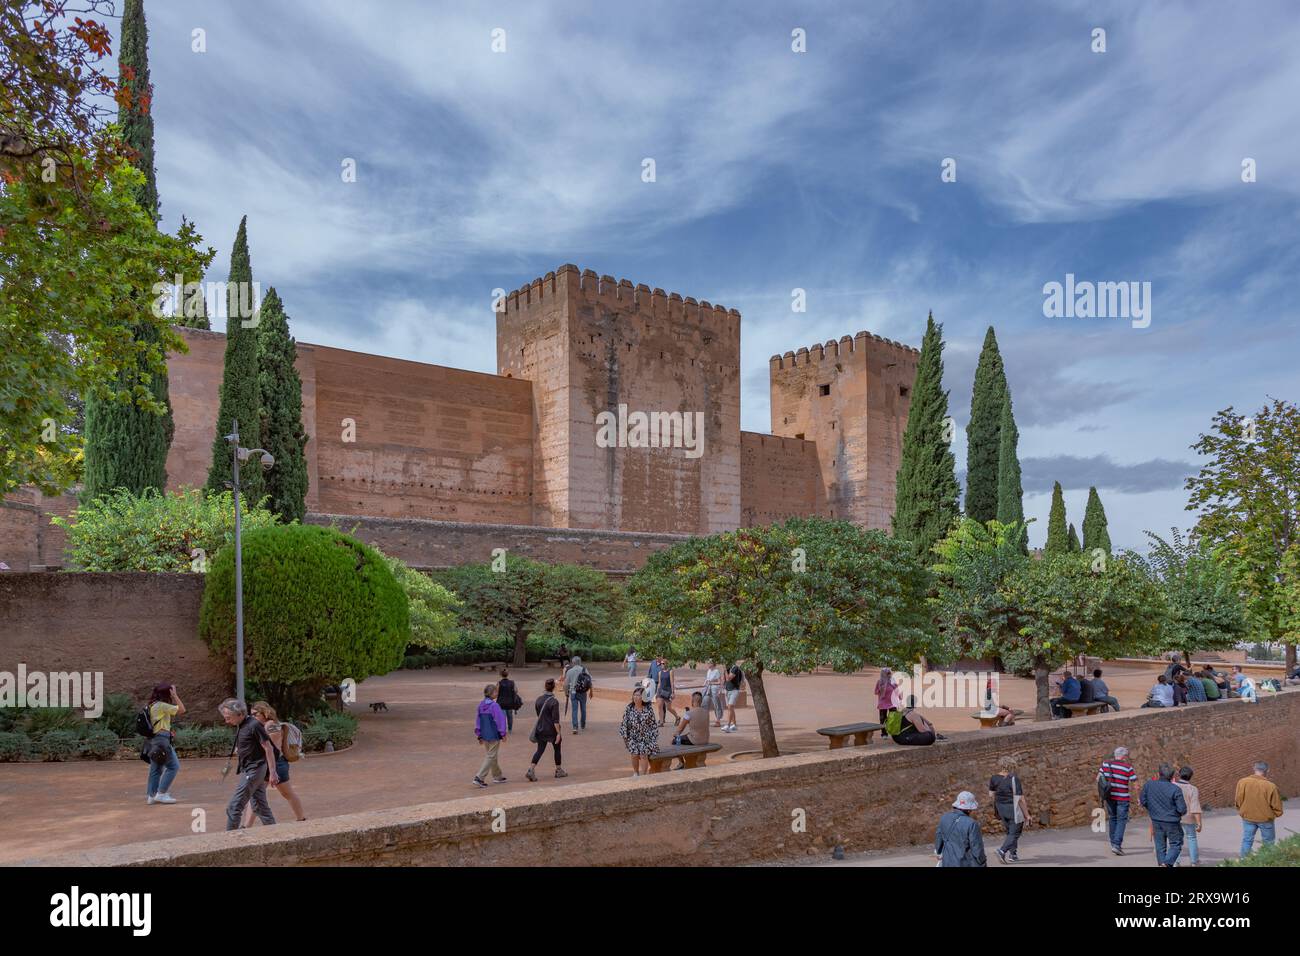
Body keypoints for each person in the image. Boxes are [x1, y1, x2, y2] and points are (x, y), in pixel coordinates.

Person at [219, 698, 278, 830]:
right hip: (251, 769)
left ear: (240, 714)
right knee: (260, 806)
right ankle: (275, 833)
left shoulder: (254, 725)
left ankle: (230, 839)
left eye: (229, 717)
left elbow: (269, 748)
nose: (227, 721)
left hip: (254, 770)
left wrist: (273, 772)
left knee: (234, 807)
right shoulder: (243, 725)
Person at [1139, 763, 1187, 868]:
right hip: (1172, 822)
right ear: (1172, 776)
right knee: (1176, 844)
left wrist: (1152, 809)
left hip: (1156, 820)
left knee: (1160, 847)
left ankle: (1162, 864)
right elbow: (1182, 809)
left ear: (1158, 773)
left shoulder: (1149, 785)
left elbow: (1143, 801)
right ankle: (1166, 864)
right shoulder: (1175, 789)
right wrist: (1175, 814)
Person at [144, 682, 184, 806]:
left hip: (154, 739)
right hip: (162, 740)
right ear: (167, 694)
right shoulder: (161, 705)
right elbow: (182, 710)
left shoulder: (151, 705)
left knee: (155, 769)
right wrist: (175, 696)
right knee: (173, 766)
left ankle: (152, 795)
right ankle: (161, 794)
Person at [1235, 761, 1283, 857]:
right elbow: (1277, 806)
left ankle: (1243, 861)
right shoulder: (1271, 786)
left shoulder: (1242, 782)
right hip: (1265, 819)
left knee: (1247, 840)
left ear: (1254, 768)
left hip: (1248, 817)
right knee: (1268, 842)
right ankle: (1267, 861)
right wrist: (1275, 814)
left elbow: (1238, 799)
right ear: (1267, 770)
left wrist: (1242, 810)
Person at [988, 756, 1030, 863]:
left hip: (1000, 808)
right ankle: (1002, 851)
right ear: (1012, 766)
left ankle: (1013, 854)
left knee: (1010, 831)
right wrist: (1027, 814)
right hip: (1012, 808)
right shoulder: (1013, 778)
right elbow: (1020, 799)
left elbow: (991, 794)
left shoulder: (994, 778)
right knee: (1015, 832)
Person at [1097, 746, 1138, 855]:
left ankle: (1113, 843)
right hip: (1123, 798)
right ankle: (1117, 845)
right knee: (1121, 820)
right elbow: (1135, 784)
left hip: (1110, 796)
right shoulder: (1128, 767)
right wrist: (1138, 797)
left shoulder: (1105, 764)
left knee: (1112, 818)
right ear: (1124, 756)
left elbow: (1098, 778)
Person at [525, 678, 566, 781]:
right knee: (557, 749)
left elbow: (539, 714)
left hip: (541, 728)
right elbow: (556, 721)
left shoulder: (539, 699)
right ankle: (558, 770)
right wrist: (558, 733)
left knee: (540, 750)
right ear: (554, 688)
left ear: (545, 687)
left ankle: (531, 769)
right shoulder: (554, 702)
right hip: (551, 730)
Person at [934, 791, 987, 867]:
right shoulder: (972, 823)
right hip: (964, 862)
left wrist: (939, 852)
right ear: (969, 809)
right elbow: (977, 848)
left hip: (947, 862)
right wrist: (982, 861)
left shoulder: (944, 818)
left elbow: (939, 839)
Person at [473, 684, 509, 788]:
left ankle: (497, 776)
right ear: (492, 693)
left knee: (492, 755)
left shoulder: (480, 705)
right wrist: (503, 733)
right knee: (491, 756)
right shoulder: (494, 706)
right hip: (494, 734)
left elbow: (478, 721)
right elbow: (500, 720)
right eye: (496, 692)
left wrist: (479, 735)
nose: (497, 693)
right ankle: (479, 777)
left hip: (484, 735)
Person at [618, 688, 659, 777]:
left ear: (643, 697)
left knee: (644, 755)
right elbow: (624, 724)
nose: (636, 697)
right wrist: (625, 739)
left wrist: (653, 738)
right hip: (633, 737)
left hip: (646, 737)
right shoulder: (629, 708)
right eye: (635, 695)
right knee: (634, 754)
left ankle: (644, 775)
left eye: (638, 695)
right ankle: (636, 772)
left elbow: (653, 725)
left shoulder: (648, 709)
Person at [672, 691, 711, 768]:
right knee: (684, 737)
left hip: (694, 740)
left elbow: (680, 729)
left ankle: (681, 762)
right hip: (705, 739)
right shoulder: (706, 712)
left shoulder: (689, 713)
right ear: (701, 701)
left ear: (692, 701)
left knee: (674, 741)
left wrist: (675, 735)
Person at [1173, 766, 1203, 866]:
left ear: (1179, 775)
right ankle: (1194, 862)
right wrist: (1199, 823)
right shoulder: (1193, 789)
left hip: (1175, 817)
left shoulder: (1173, 786)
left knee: (1175, 841)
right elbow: (1195, 806)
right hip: (1189, 818)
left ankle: (1176, 862)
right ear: (1190, 777)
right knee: (1191, 838)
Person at [565, 655, 592, 733]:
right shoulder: (584, 670)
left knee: (574, 710)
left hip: (573, 692)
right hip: (583, 692)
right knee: (583, 709)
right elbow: (589, 681)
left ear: (573, 663)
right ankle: (583, 724)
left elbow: (566, 684)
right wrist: (591, 691)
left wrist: (566, 692)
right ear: (580, 662)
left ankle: (575, 727)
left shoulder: (569, 671)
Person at [654, 657, 678, 727]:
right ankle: (661, 722)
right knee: (659, 706)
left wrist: (673, 692)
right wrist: (656, 692)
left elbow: (672, 682)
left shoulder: (670, 671)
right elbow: (659, 683)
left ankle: (677, 717)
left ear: (666, 664)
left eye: (663, 663)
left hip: (667, 691)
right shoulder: (660, 672)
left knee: (669, 708)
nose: (662, 665)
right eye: (661, 664)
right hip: (660, 691)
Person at [496, 668, 521, 733]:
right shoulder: (512, 682)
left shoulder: (499, 683)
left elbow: (496, 692)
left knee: (502, 717)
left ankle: (503, 729)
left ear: (501, 675)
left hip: (501, 702)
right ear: (508, 674)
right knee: (510, 716)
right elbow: (516, 691)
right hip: (510, 702)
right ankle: (510, 729)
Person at [722, 660, 744, 733]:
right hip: (727, 690)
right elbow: (724, 679)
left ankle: (728, 725)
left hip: (734, 690)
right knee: (730, 707)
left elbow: (728, 678)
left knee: (730, 706)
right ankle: (734, 724)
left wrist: (725, 670)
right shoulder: (728, 668)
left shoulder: (735, 668)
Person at [702, 660, 724, 727]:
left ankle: (718, 720)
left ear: (713, 664)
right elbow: (707, 679)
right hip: (708, 689)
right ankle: (705, 720)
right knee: (704, 703)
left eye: (709, 663)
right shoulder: (708, 671)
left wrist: (719, 690)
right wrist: (704, 683)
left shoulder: (716, 671)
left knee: (716, 705)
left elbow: (719, 682)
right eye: (708, 663)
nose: (708, 664)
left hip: (714, 689)